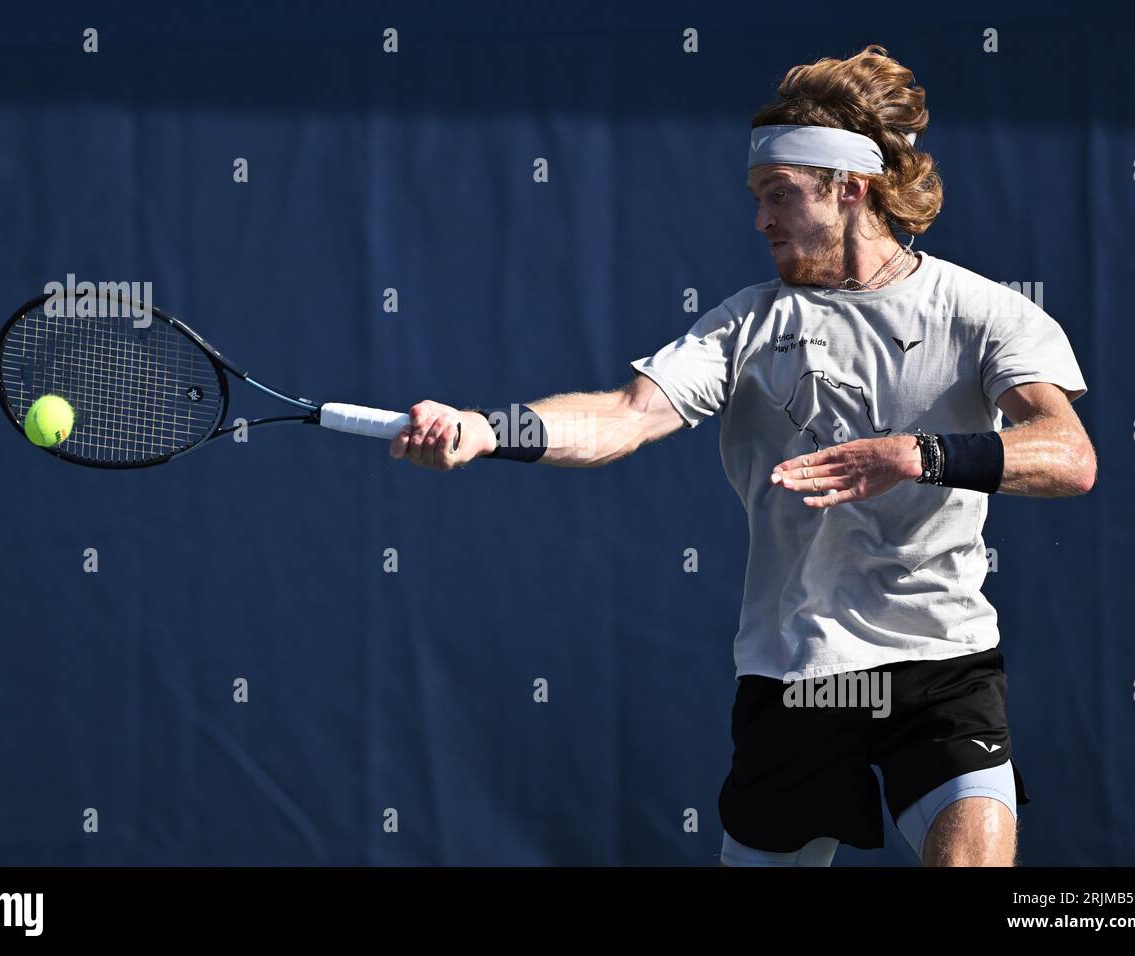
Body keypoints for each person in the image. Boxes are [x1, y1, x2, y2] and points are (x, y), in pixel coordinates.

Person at [388, 45, 1095, 867]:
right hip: (797, 678)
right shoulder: (746, 323)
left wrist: (914, 453)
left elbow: (1068, 456)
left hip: (944, 669)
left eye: (779, 197)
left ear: (850, 191)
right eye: (757, 198)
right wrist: (486, 428)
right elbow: (624, 416)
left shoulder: (984, 315)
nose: (760, 221)